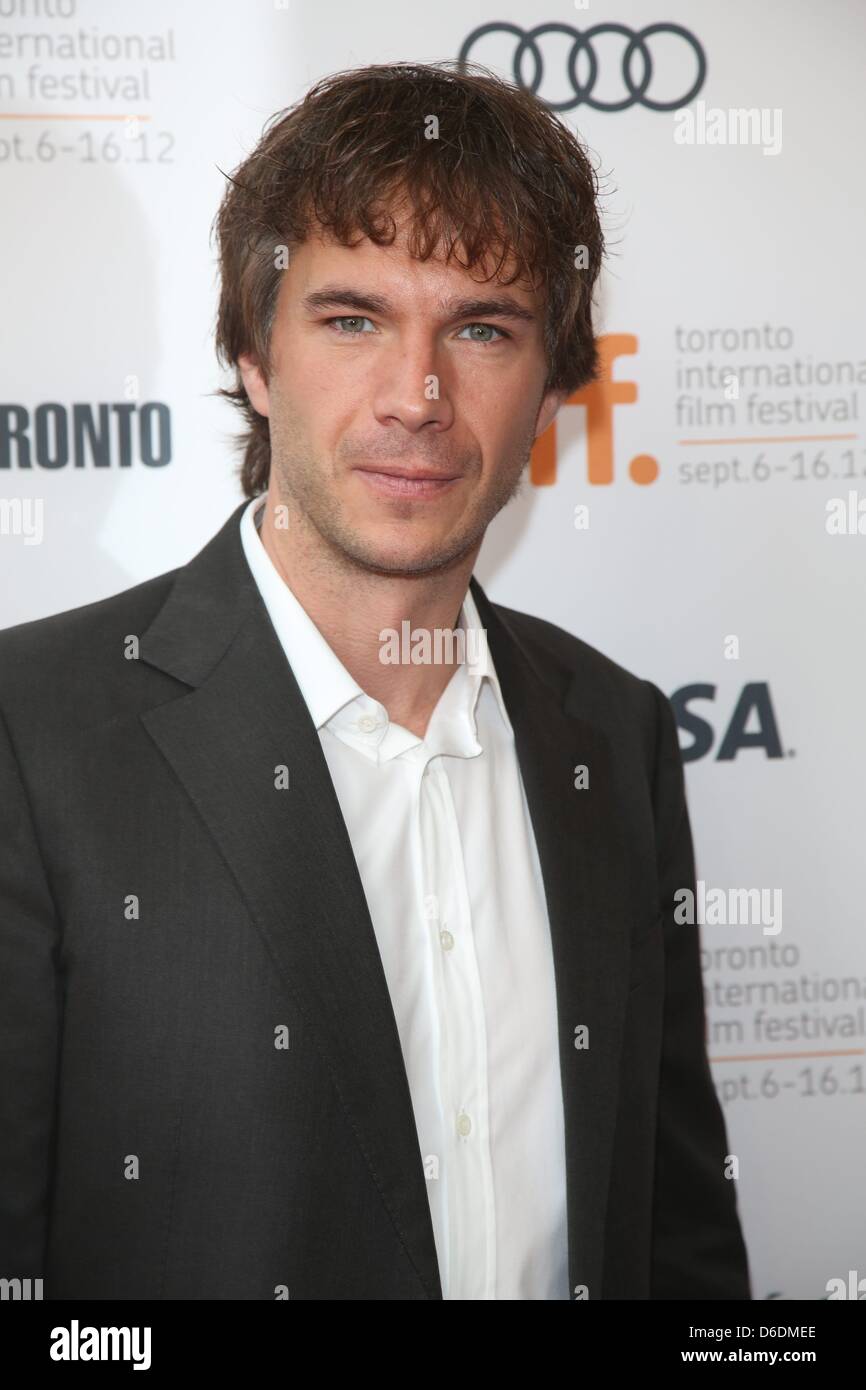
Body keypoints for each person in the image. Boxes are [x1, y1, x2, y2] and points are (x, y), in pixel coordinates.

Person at [0, 61, 750, 1300]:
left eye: (481, 328)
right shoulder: (35, 736)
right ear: (254, 354)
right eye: (352, 320)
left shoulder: (611, 733)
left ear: (555, 387)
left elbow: (675, 1232)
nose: (418, 397)